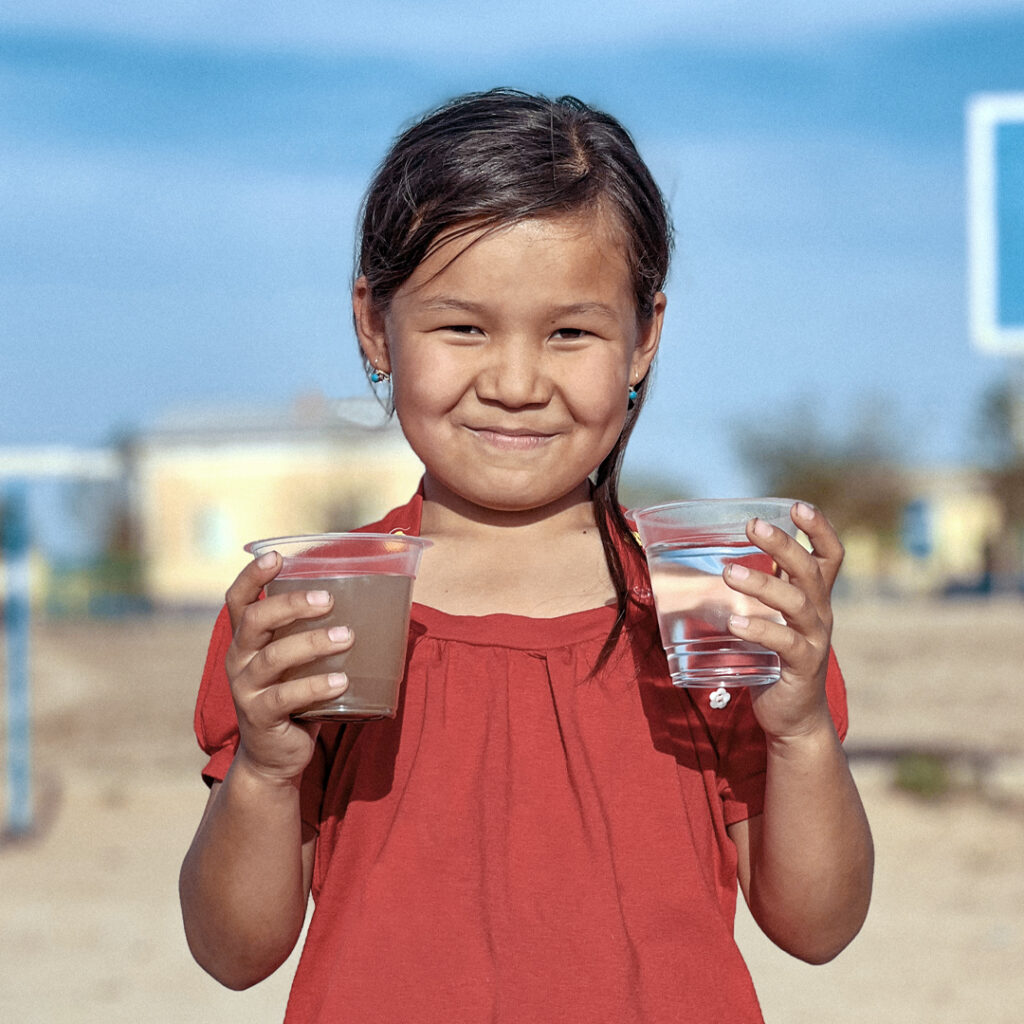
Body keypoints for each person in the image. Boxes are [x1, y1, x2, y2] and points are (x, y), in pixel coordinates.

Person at [179, 88, 873, 1023]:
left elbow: (819, 927)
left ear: (644, 338)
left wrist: (798, 733)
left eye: (570, 332)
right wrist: (264, 770)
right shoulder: (317, 607)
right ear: (375, 325)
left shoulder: (709, 599)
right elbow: (233, 953)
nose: (514, 383)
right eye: (463, 327)